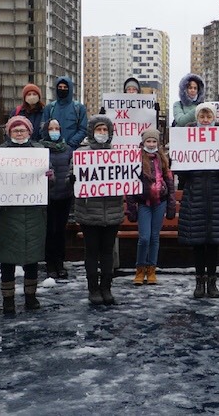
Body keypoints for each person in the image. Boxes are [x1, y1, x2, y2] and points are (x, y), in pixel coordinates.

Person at [0, 116, 53, 314]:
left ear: (30, 132)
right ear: (9, 133)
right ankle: (8, 300)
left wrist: (49, 177)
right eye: (15, 130)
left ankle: (31, 297)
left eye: (23, 130)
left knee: (32, 258)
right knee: (7, 259)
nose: (19, 134)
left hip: (33, 214)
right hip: (7, 215)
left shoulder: (38, 152)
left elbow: (48, 184)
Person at [175, 102, 219, 298]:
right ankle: (199, 282)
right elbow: (180, 173)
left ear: (214, 118)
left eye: (209, 117)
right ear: (197, 119)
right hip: (196, 196)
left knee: (214, 242)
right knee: (198, 243)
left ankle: (212, 282)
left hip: (217, 197)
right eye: (202, 117)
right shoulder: (186, 139)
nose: (206, 120)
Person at [74, 116, 125, 305]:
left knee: (107, 252)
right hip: (89, 212)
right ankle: (93, 288)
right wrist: (73, 180)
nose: (102, 133)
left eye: (105, 130)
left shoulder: (119, 155)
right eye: (99, 129)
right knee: (92, 252)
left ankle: (106, 287)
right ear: (91, 131)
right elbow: (71, 181)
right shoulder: (81, 153)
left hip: (112, 211)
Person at [126, 128, 177, 285]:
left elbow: (169, 182)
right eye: (148, 141)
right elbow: (131, 183)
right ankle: (140, 269)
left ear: (158, 143)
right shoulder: (137, 159)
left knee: (155, 237)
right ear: (143, 143)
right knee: (144, 238)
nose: (151, 144)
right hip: (144, 204)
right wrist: (131, 207)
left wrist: (170, 205)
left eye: (154, 141)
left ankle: (152, 269)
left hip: (159, 203)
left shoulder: (163, 160)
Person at [43, 119, 74, 280]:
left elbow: (72, 168)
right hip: (47, 197)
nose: (54, 131)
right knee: (50, 231)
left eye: (56, 128)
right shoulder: (40, 149)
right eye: (51, 128)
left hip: (64, 195)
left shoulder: (68, 149)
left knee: (61, 231)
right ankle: (50, 263)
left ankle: (60, 263)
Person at [41, 76, 88, 150]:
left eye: (65, 87)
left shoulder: (79, 108)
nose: (62, 89)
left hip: (72, 149)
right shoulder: (49, 108)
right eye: (60, 87)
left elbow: (83, 129)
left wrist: (71, 144)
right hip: (52, 149)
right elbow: (43, 128)